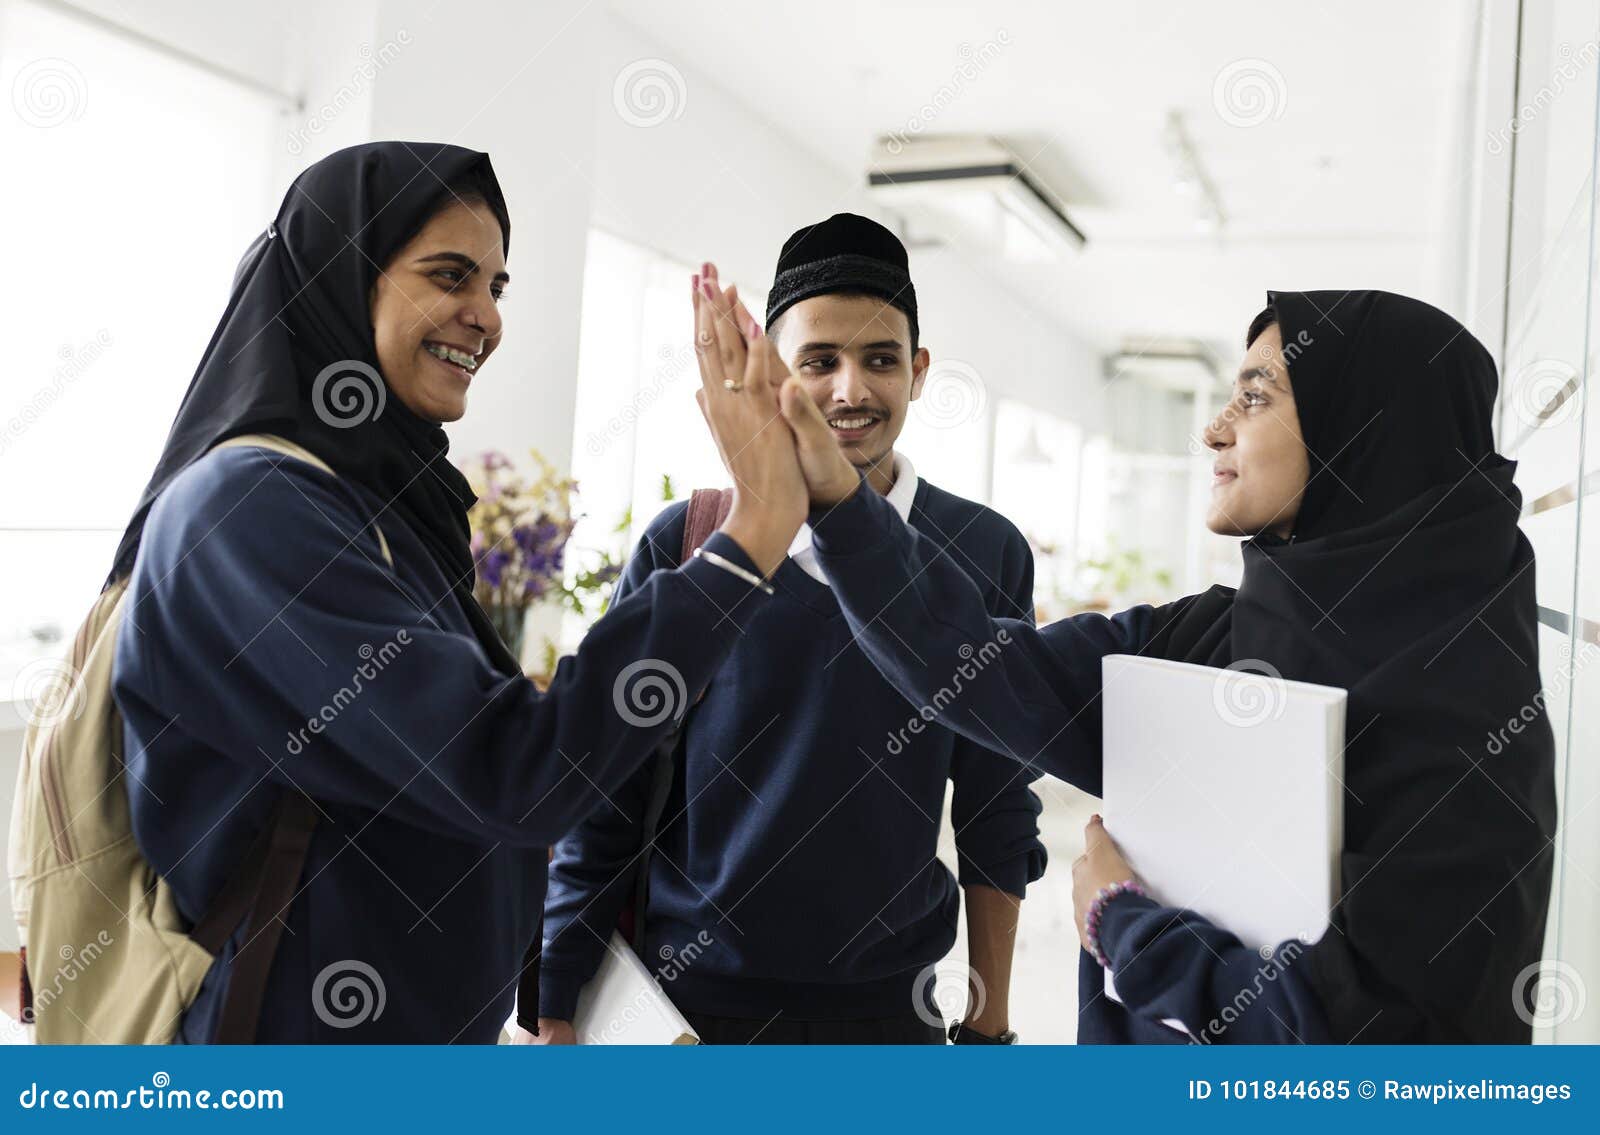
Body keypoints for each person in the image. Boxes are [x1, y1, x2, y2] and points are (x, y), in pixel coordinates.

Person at [704, 287, 1557, 1043]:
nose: (1215, 427)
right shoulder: (1221, 635)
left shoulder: (1469, 726)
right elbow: (980, 669)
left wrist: (1125, 925)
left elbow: (1371, 1049)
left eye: (1254, 398)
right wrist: (834, 493)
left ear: (1362, 433)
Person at [108, 142, 810, 1042]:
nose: (486, 318)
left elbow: (454, 748)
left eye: (497, 287)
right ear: (341, 276)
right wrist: (752, 532)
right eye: (449, 276)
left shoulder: (371, 502)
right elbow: (514, 769)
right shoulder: (247, 511)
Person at [533, 216, 1045, 1046]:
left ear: (918, 373)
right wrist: (556, 1003)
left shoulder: (983, 552)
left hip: (890, 1014)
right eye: (818, 362)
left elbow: (995, 806)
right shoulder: (691, 541)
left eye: (880, 359)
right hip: (687, 1011)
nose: (851, 390)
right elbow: (606, 789)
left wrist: (989, 1024)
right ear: (775, 376)